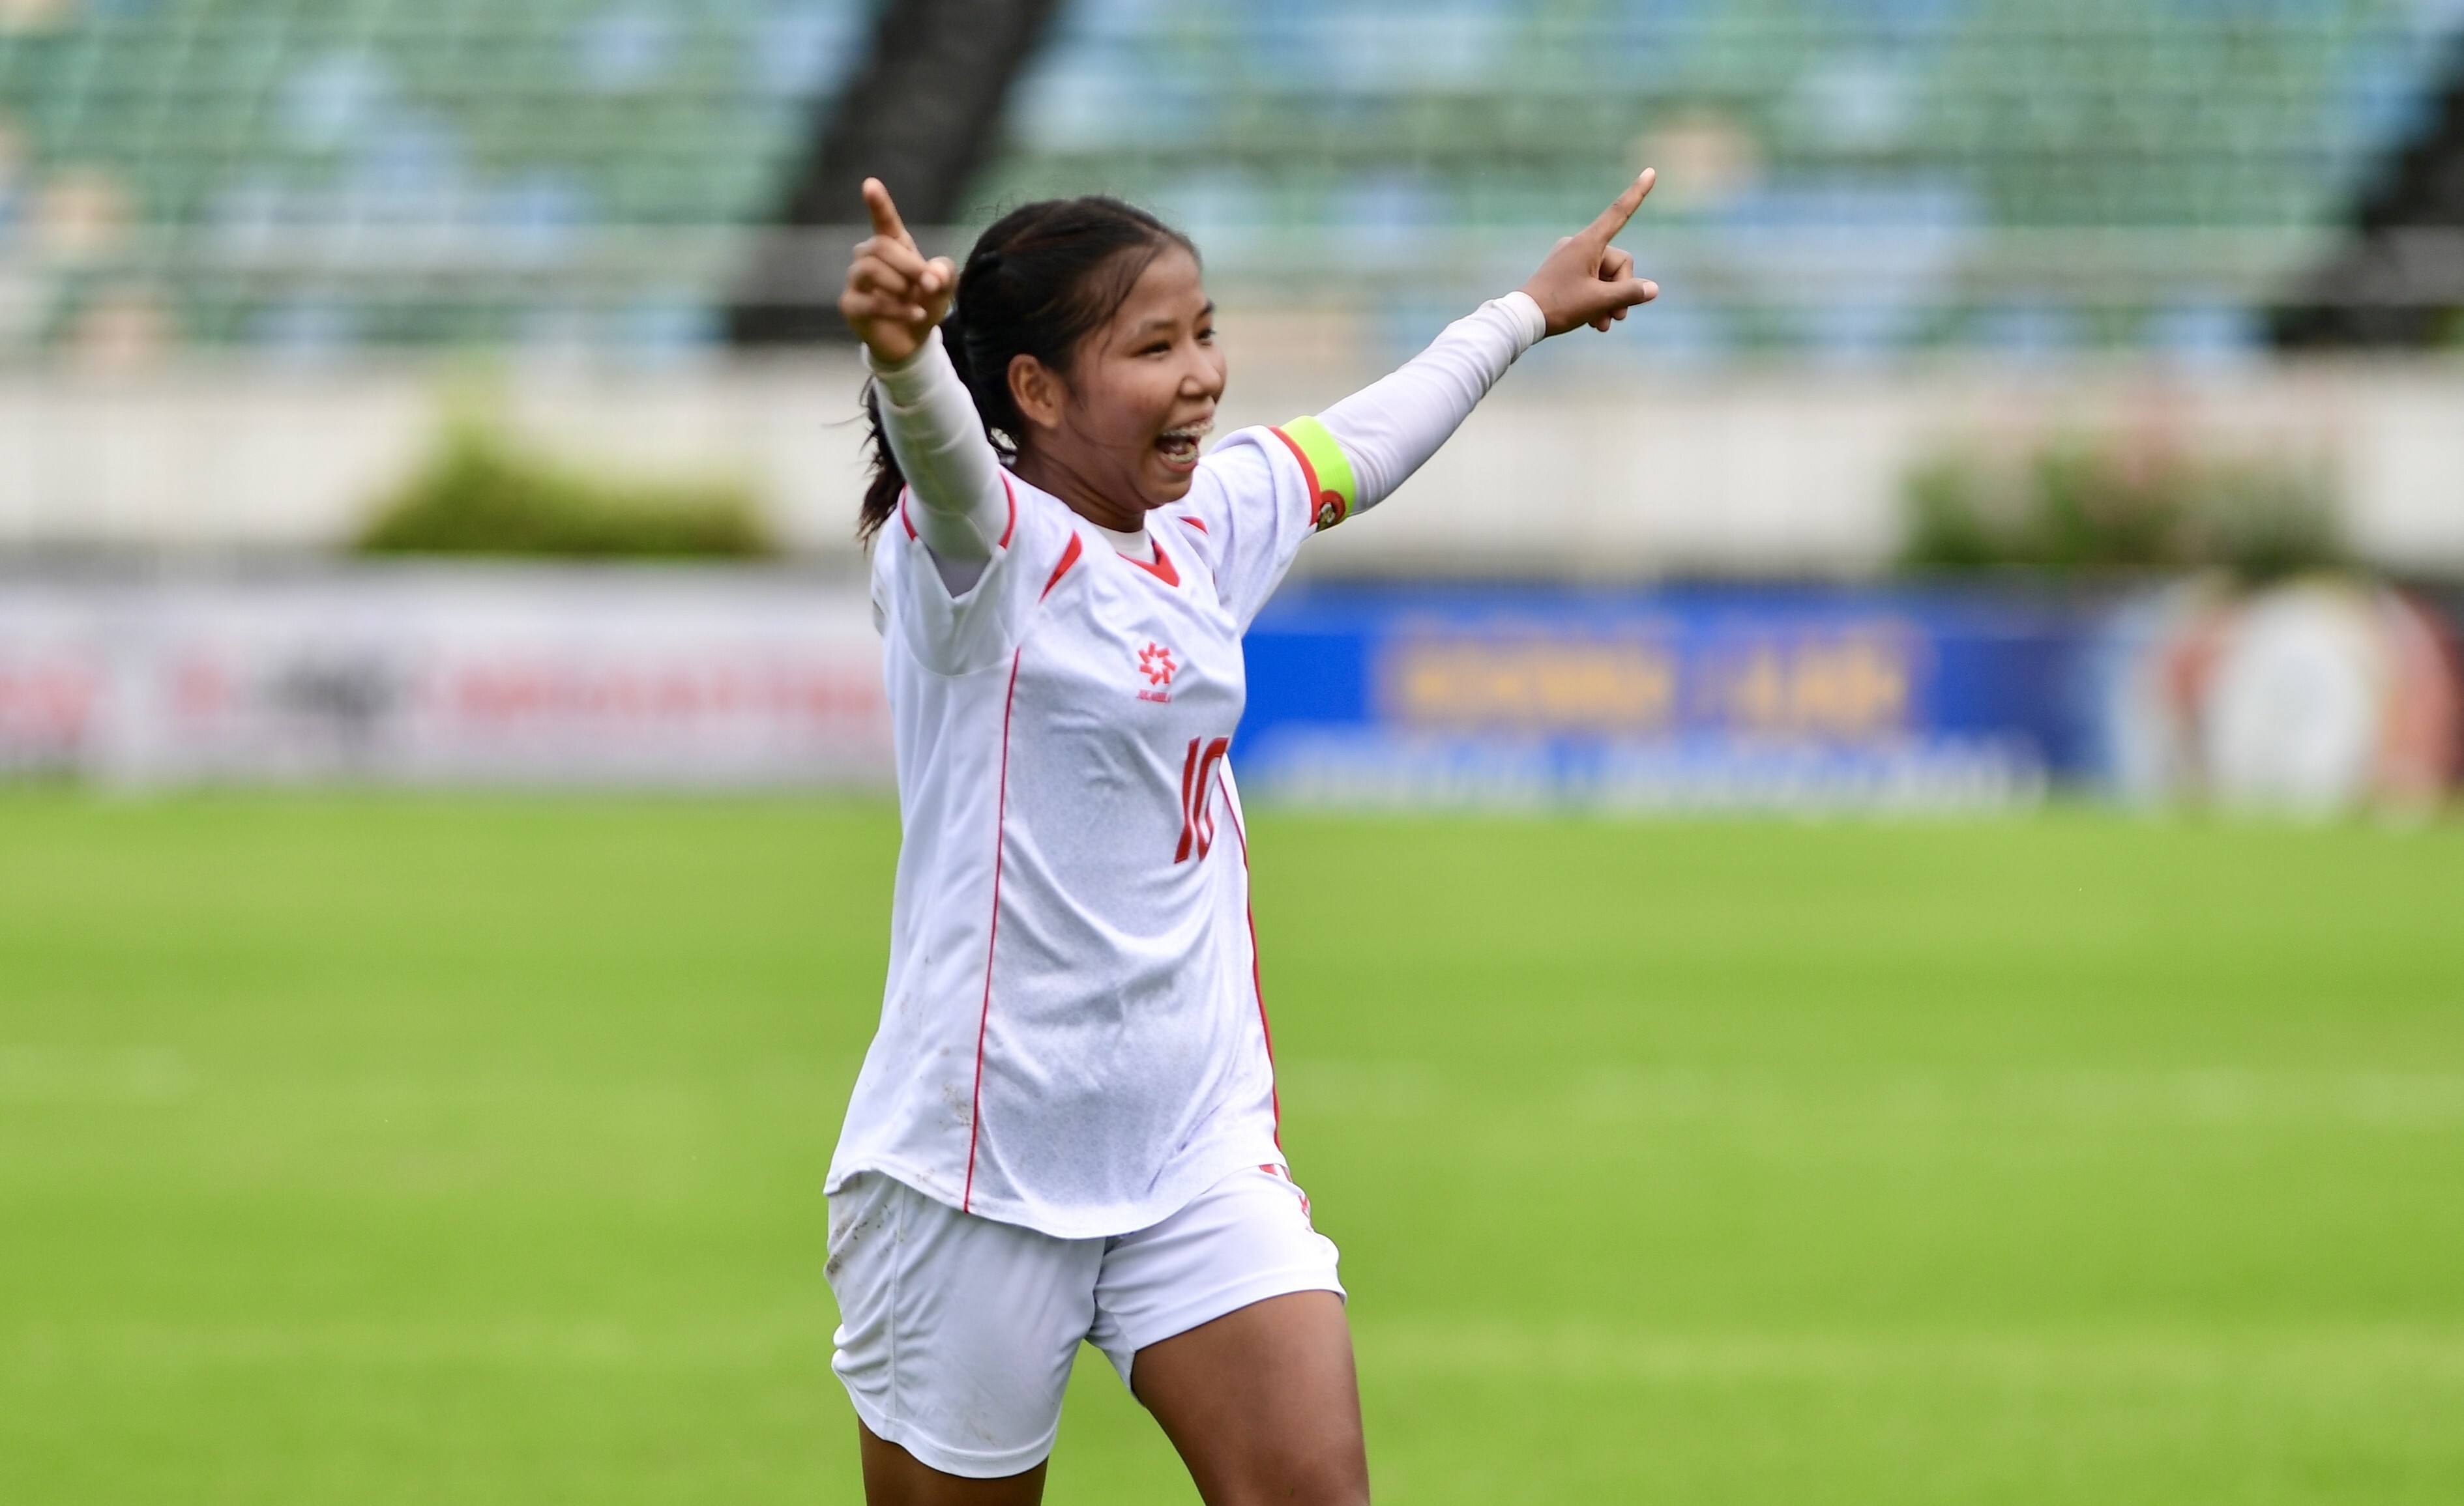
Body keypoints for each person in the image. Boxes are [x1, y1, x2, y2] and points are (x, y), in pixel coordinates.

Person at [829, 170, 1658, 1506]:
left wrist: (1526, 311)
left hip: (1191, 1149)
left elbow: (1358, 445)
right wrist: (906, 358)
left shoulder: (1206, 519)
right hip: (978, 1174)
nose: (1203, 373)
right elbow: (944, 462)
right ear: (1036, 393)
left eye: (1203, 331)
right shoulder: (977, 562)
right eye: (1154, 347)